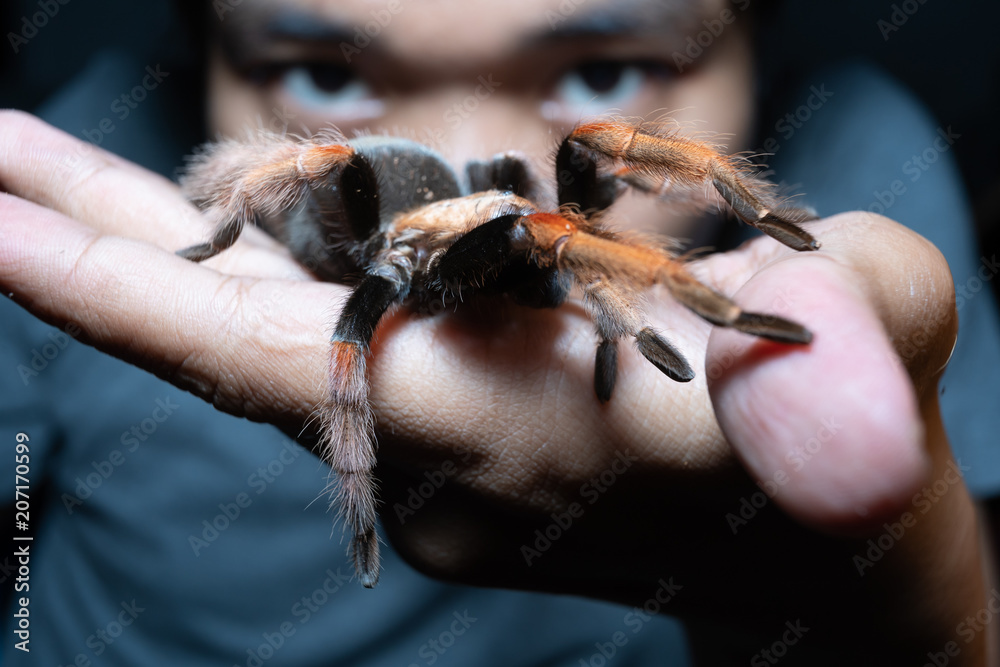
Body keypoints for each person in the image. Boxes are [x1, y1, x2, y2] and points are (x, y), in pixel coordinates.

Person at [1, 0, 997, 664]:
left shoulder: (853, 143)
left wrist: (896, 593)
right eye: (328, 69)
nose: (473, 147)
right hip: (398, 242)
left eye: (603, 70)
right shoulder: (91, 136)